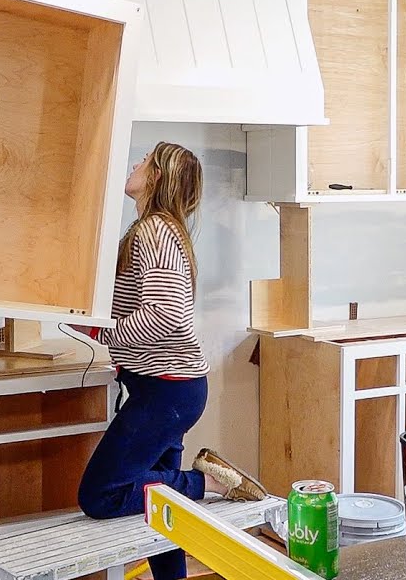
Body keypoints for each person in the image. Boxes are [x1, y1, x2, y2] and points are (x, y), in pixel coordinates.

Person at [74, 141, 267, 580]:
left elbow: (166, 315)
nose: (135, 164)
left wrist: (105, 334)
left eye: (143, 161)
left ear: (157, 176)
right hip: (167, 388)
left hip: (166, 392)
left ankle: (207, 483)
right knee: (161, 519)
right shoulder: (157, 230)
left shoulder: (155, 232)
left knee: (102, 493)